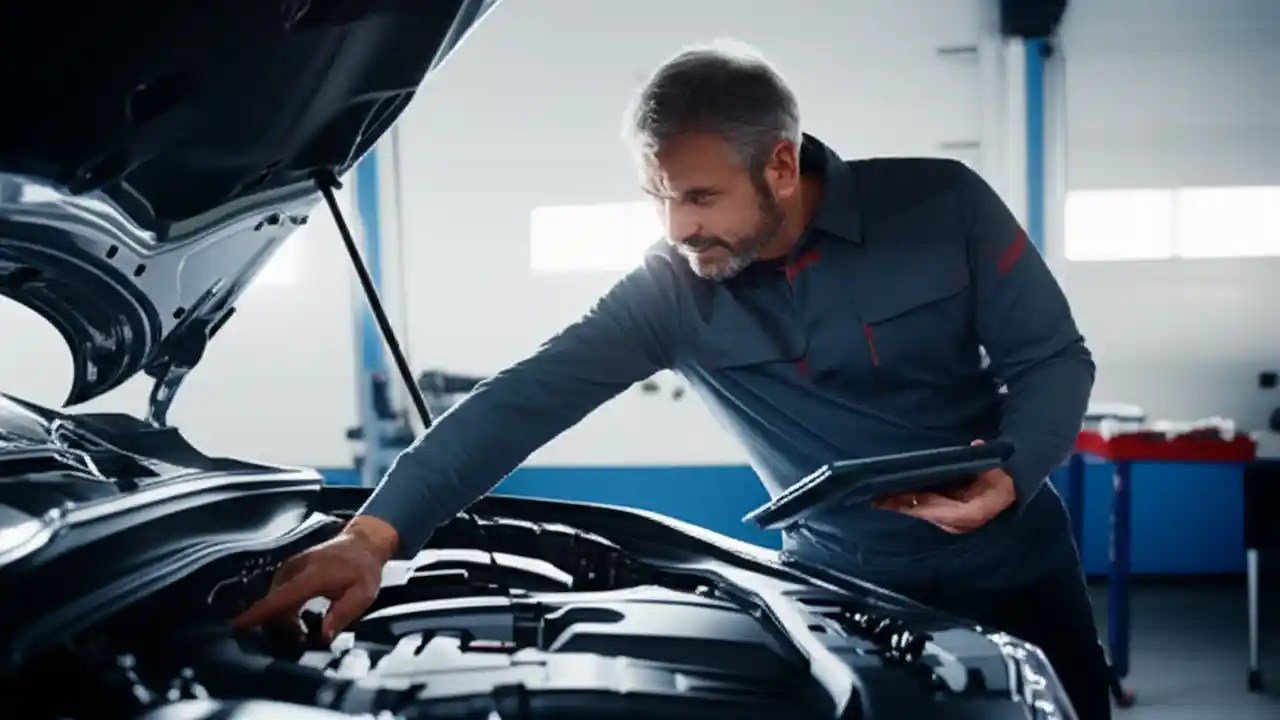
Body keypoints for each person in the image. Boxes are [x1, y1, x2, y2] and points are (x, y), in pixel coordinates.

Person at [233, 41, 1111, 718]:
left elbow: (1052, 360)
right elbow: (521, 401)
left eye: (696, 197)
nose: (676, 227)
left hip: (1017, 562)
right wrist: (374, 537)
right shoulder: (670, 293)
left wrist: (1008, 475)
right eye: (656, 197)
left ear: (779, 163)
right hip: (851, 592)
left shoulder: (943, 207)